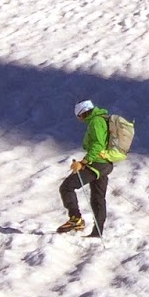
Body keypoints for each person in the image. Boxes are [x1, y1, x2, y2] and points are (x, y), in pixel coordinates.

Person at [57, 100, 114, 237]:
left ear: (82, 113)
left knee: (67, 187)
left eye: (79, 116)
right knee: (98, 198)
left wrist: (83, 162)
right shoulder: (102, 119)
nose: (79, 119)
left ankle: (75, 219)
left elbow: (98, 145)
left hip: (97, 163)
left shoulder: (95, 122)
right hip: (105, 164)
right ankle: (97, 232)